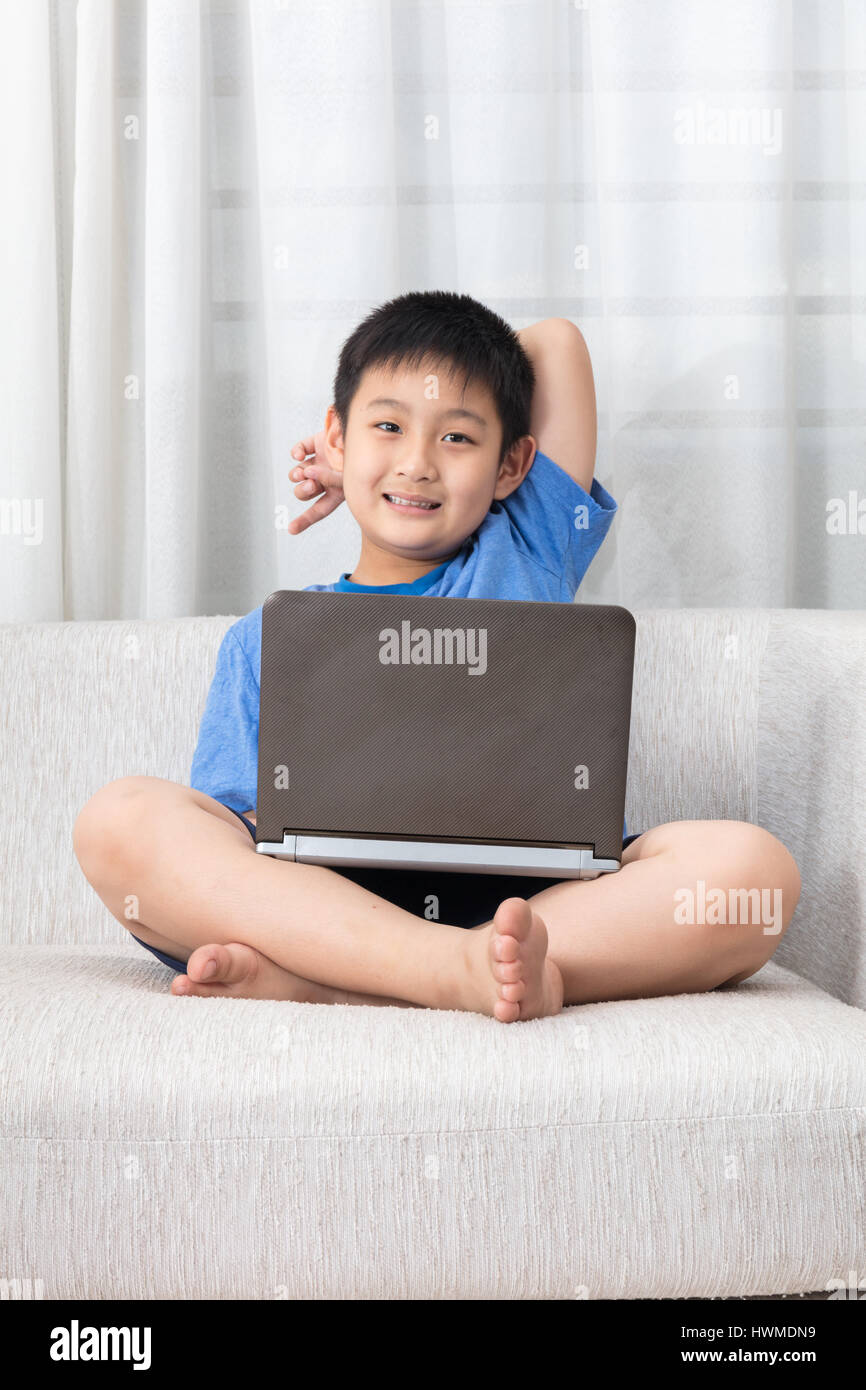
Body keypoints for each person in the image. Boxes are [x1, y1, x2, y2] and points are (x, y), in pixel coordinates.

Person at [73, 292, 801, 1021]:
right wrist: (365, 457)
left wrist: (403, 422)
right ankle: (438, 970)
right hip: (329, 907)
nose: (417, 463)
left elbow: (556, 343)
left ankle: (376, 979)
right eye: (386, 427)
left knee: (752, 871)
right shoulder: (266, 637)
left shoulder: (527, 547)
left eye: (456, 439)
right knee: (119, 819)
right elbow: (233, 840)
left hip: (534, 907)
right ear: (335, 438)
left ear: (514, 466)